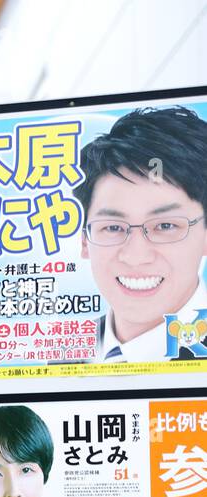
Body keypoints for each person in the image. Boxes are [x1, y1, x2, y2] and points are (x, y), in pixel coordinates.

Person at [71, 106, 207, 363]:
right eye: (113, 227)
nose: (135, 256)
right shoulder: (67, 350)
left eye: (165, 226)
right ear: (84, 240)